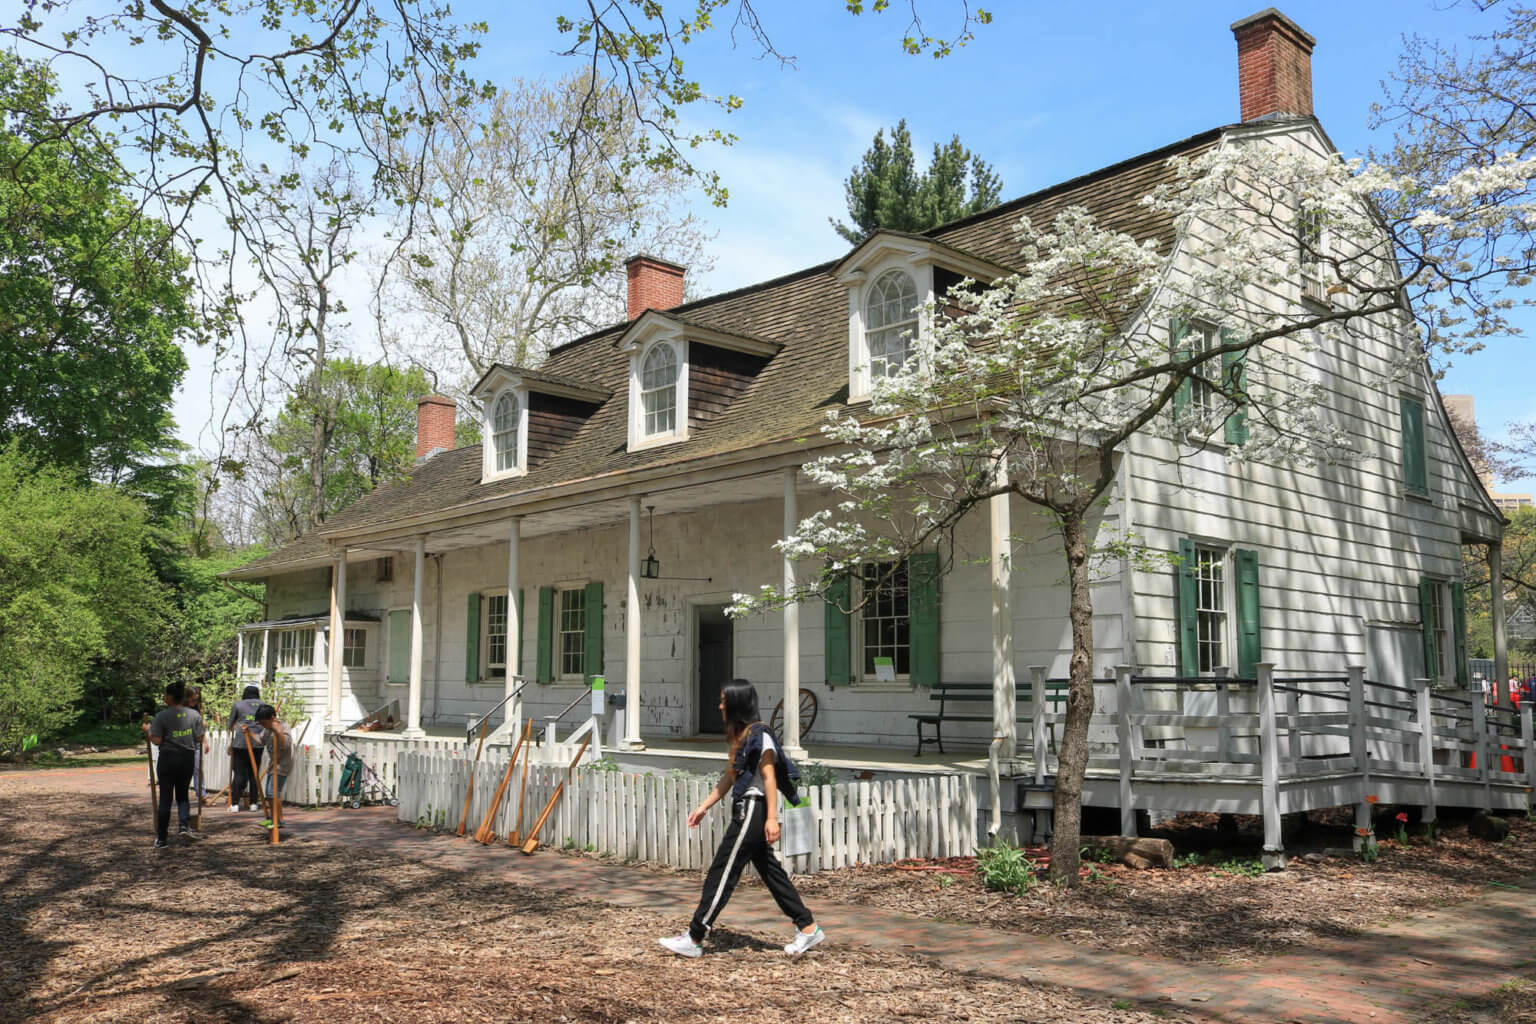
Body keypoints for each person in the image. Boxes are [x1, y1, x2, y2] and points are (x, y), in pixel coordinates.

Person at [658, 679, 824, 959]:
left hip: (754, 808)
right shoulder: (743, 736)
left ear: (737, 704)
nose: (720, 705)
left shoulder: (761, 735)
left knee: (722, 872)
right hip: (747, 807)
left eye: (724, 700)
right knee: (772, 874)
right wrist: (704, 806)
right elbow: (730, 776)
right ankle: (808, 927)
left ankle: (696, 936)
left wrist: (772, 818)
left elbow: (769, 777)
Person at [144, 681, 210, 848]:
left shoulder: (162, 716)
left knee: (166, 798)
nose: (164, 697)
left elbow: (157, 740)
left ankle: (162, 838)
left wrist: (148, 731)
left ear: (171, 697)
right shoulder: (195, 716)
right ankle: (183, 826)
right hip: (187, 758)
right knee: (182, 795)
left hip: (168, 758)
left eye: (165, 695)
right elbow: (198, 738)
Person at [227, 685, 266, 812]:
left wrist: (236, 726)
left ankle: (234, 804)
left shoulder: (238, 705)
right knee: (254, 773)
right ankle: (254, 803)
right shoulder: (263, 705)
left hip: (240, 743)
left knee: (239, 773)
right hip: (258, 742)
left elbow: (230, 724)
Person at [254, 704, 293, 830]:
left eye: (263, 722)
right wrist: (248, 733)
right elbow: (260, 741)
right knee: (269, 793)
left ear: (272, 718)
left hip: (283, 764)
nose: (262, 725)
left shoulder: (283, 726)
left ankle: (279, 820)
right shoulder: (267, 729)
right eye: (260, 723)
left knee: (274, 792)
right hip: (273, 764)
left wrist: (277, 731)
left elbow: (285, 744)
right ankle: (273, 818)